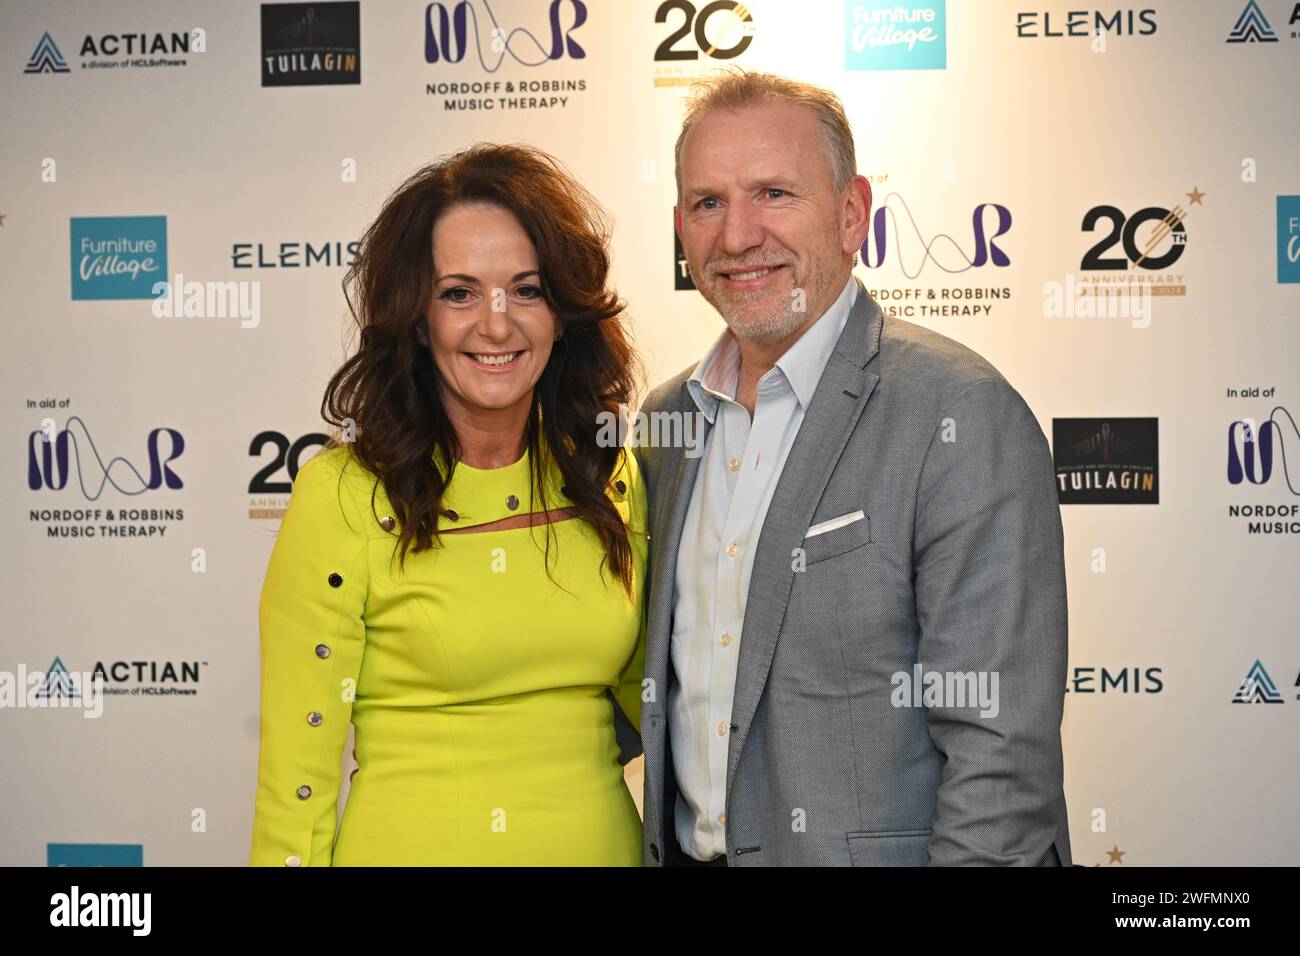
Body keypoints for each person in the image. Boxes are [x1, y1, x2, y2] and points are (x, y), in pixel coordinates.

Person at [636, 70, 1071, 866]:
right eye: (707, 203)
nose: (736, 236)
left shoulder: (959, 413)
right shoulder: (666, 426)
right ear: (680, 227)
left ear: (851, 213)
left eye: (773, 193)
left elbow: (1000, 757)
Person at [249, 143, 647, 866]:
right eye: (459, 292)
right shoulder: (342, 494)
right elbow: (297, 776)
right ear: (416, 315)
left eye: (526, 290)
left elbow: (665, 705)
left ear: (563, 313)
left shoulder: (609, 475)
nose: (496, 325)